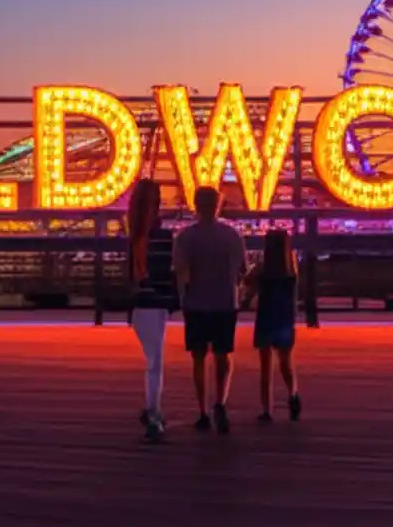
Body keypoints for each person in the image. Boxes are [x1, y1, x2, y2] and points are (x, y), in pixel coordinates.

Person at [173, 186, 246, 434]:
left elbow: (180, 271)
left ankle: (202, 410)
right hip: (225, 301)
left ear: (195, 205)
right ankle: (220, 402)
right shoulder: (231, 235)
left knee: (198, 357)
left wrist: (183, 298)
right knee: (224, 355)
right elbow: (242, 268)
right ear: (219, 205)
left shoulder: (185, 237)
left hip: (196, 302)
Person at [127, 179, 178, 442]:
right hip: (156, 305)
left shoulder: (135, 236)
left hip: (140, 305)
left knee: (153, 361)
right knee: (155, 364)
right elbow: (168, 272)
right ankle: (153, 412)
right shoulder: (162, 237)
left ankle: (153, 410)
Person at [243, 229, 302, 422]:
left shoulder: (263, 269)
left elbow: (248, 283)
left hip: (266, 316)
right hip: (284, 318)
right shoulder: (291, 270)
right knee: (286, 362)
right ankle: (293, 394)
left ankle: (267, 409)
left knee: (265, 366)